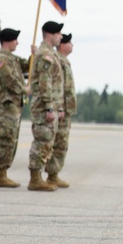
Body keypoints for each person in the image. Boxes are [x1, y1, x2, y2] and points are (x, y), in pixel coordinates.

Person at [27, 21, 65, 192]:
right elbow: (45, 83)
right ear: (49, 34)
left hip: (51, 106)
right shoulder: (45, 55)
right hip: (44, 108)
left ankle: (39, 177)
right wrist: (49, 107)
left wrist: (58, 107)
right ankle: (35, 179)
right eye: (58, 34)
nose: (61, 37)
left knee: (47, 142)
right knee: (42, 142)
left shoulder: (49, 54)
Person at [0, 28, 29, 188]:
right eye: (15, 40)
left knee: (11, 140)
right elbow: (10, 81)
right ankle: (0, 175)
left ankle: (4, 173)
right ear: (7, 41)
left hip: (13, 107)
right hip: (5, 108)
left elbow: (28, 65)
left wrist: (34, 55)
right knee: (5, 140)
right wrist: (25, 89)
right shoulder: (2, 60)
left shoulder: (12, 59)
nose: (17, 43)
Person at [46, 33, 76, 188]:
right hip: (61, 109)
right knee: (59, 142)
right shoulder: (59, 61)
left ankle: (54, 174)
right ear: (63, 45)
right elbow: (59, 87)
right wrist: (61, 107)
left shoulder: (63, 61)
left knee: (61, 143)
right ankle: (52, 175)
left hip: (65, 109)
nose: (72, 45)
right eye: (70, 43)